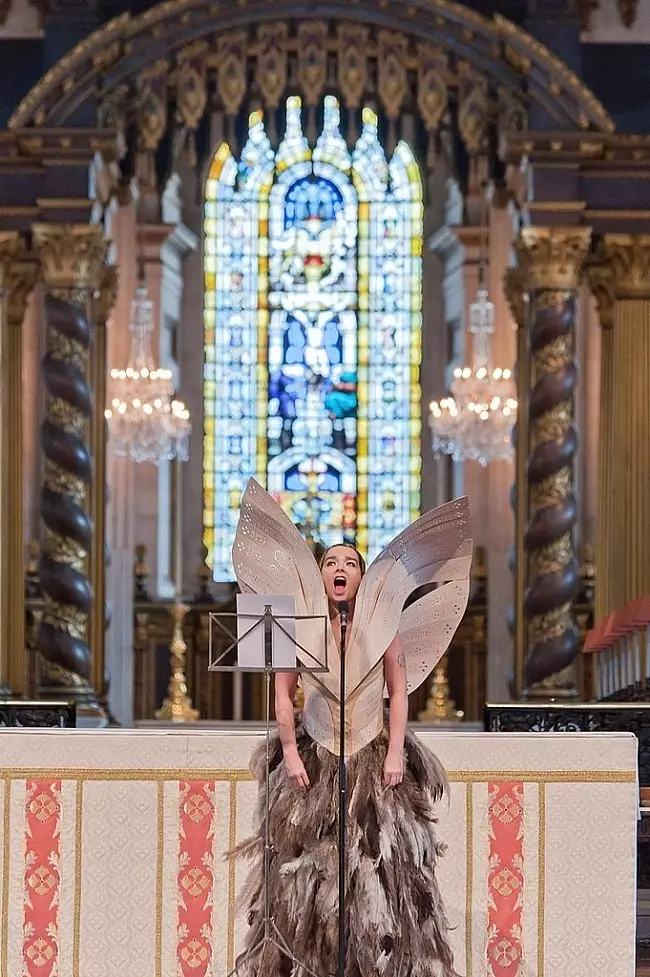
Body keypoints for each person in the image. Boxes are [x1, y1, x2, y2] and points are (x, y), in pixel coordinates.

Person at [231, 478, 472, 977]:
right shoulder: (296, 624)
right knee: (308, 862)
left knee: (379, 861)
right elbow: (283, 694)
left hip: (370, 747)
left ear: (362, 579)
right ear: (319, 576)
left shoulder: (383, 626)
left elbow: (399, 692)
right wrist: (292, 756)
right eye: (331, 563)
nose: (340, 569)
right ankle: (309, 958)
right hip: (315, 753)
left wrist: (394, 752)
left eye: (350, 564)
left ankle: (375, 960)